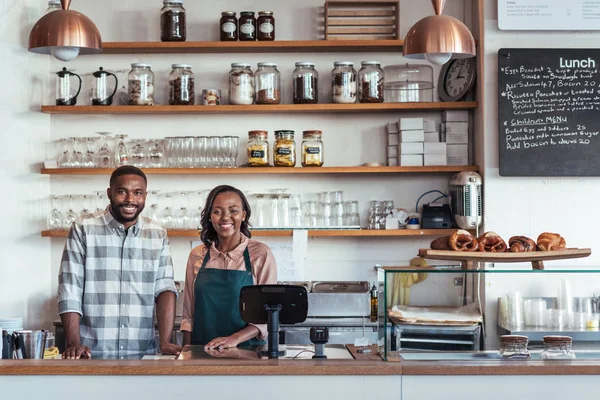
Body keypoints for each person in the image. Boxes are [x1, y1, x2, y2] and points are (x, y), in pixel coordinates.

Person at [57, 166, 181, 359]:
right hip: (90, 355)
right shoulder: (84, 229)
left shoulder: (157, 233)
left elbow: (164, 288)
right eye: (122, 192)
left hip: (142, 355)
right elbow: (70, 289)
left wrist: (164, 341)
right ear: (109, 193)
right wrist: (74, 343)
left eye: (137, 193)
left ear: (145, 196)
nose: (130, 199)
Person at [181, 185, 277, 350]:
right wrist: (186, 353)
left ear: (244, 215)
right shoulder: (197, 255)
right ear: (210, 217)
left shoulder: (260, 254)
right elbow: (188, 315)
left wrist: (234, 339)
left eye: (233, 211)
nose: (226, 217)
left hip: (248, 353)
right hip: (203, 351)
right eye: (217, 211)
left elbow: (266, 316)